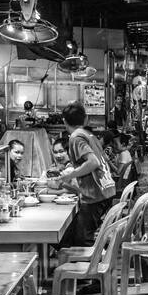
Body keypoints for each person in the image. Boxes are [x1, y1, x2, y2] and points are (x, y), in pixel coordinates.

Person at [48, 105, 116, 246]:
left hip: (95, 194)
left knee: (82, 240)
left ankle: (90, 266)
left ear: (64, 121)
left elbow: (93, 162)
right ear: (86, 119)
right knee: (72, 236)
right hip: (106, 190)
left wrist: (68, 176)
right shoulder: (89, 135)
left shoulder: (76, 137)